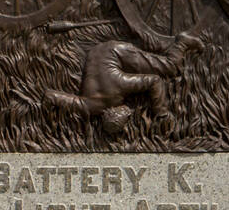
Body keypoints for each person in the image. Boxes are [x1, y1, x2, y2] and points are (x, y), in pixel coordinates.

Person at [45, 32, 201, 135]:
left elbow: (155, 81)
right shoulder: (86, 106)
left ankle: (182, 42)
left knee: (170, 68)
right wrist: (50, 123)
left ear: (114, 109)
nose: (128, 110)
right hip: (95, 52)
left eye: (125, 114)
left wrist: (161, 112)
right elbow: (50, 96)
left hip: (117, 52)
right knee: (152, 61)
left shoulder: (121, 86)